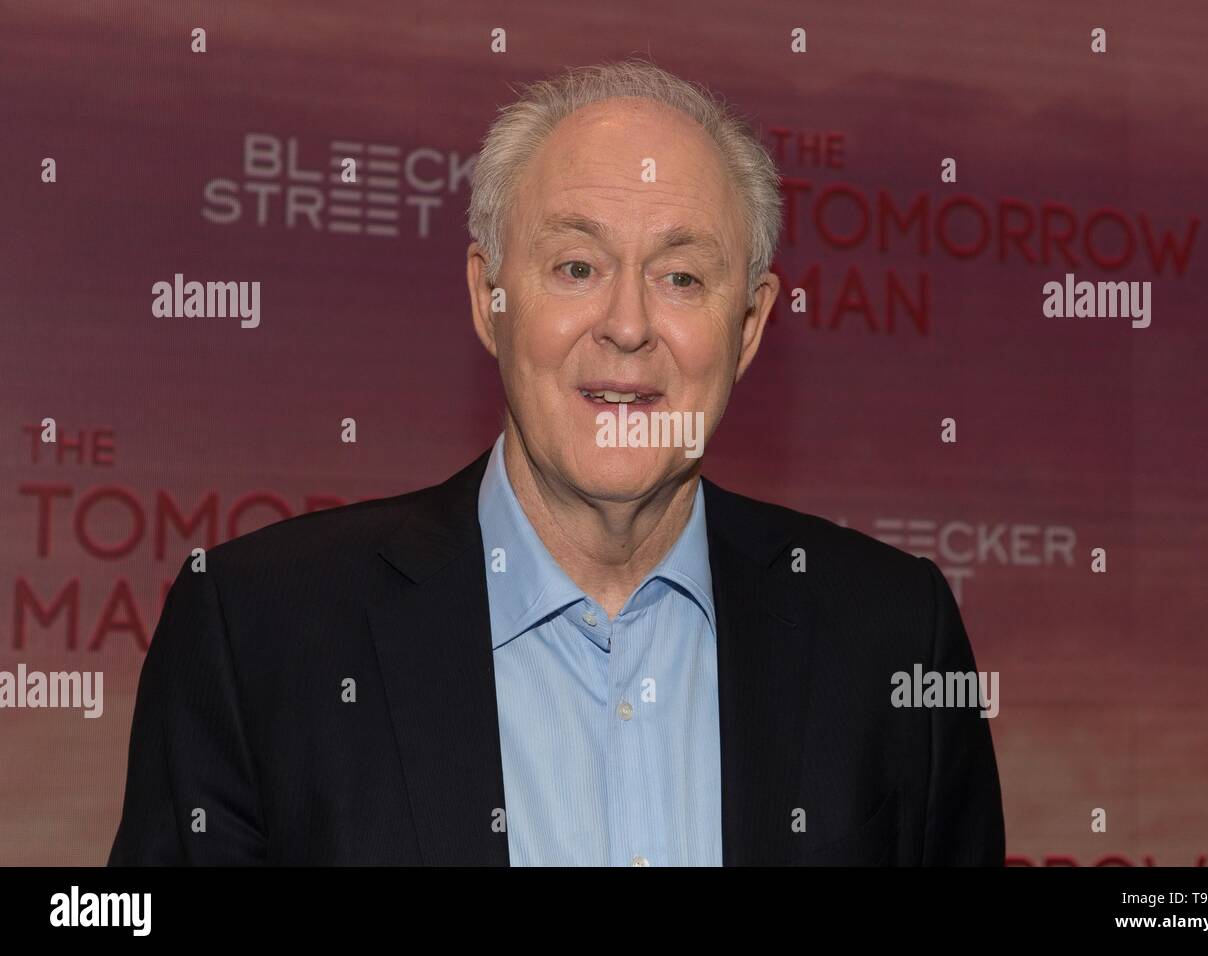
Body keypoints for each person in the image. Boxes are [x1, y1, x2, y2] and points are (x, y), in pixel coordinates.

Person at [108, 57, 1003, 866]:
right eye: (576, 267)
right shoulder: (256, 635)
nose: (626, 324)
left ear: (752, 325)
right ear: (487, 300)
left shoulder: (894, 634)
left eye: (681, 277)